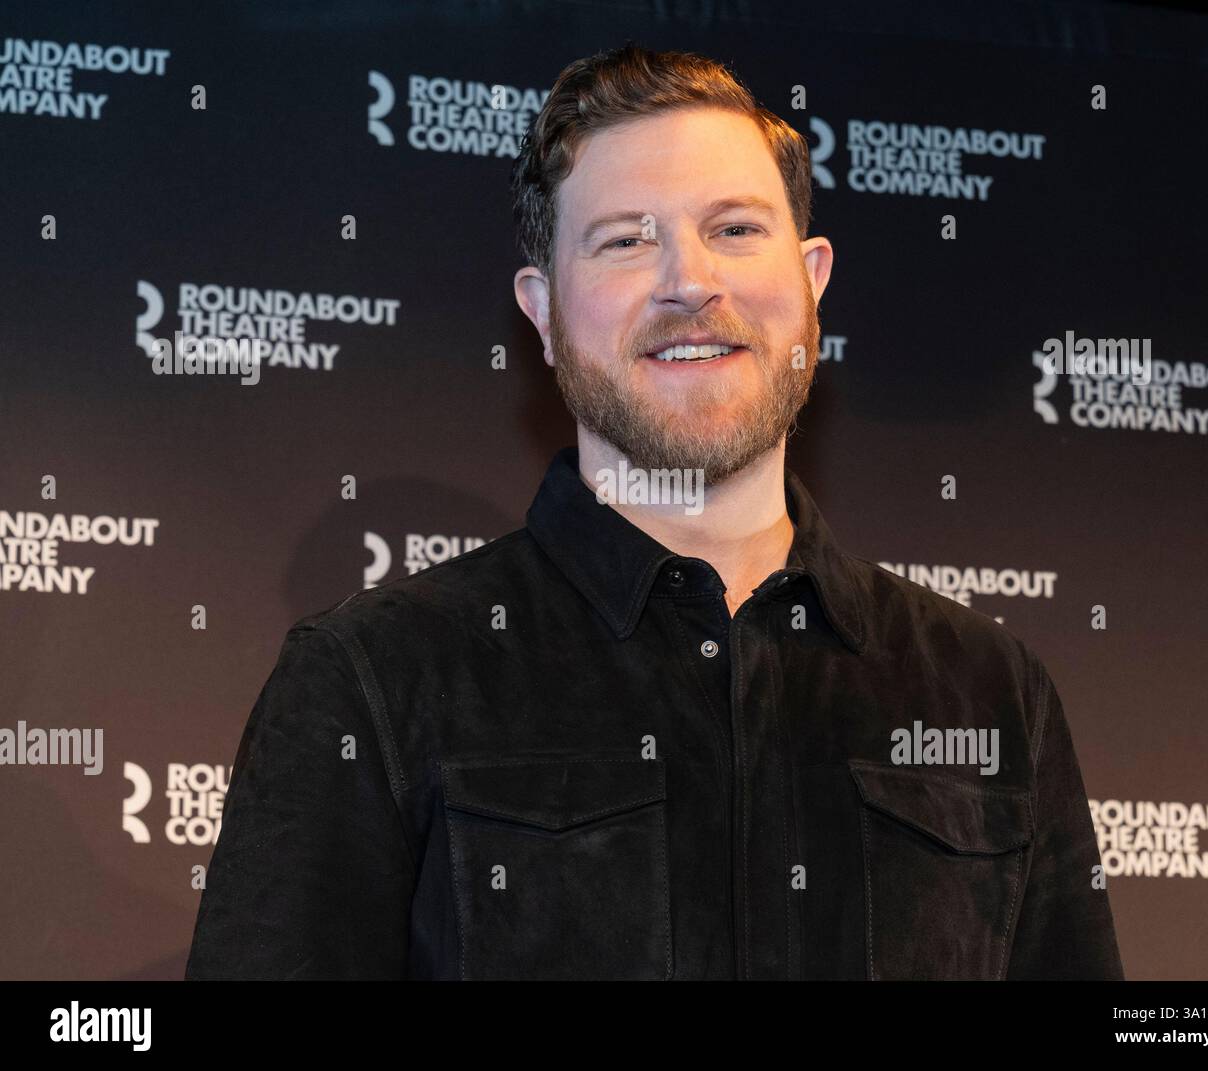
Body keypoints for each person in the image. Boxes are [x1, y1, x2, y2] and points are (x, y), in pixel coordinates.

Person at [185, 43, 1123, 980]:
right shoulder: (375, 681)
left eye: (736, 230)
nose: (690, 281)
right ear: (543, 312)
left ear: (812, 282)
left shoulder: (987, 689)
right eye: (627, 239)